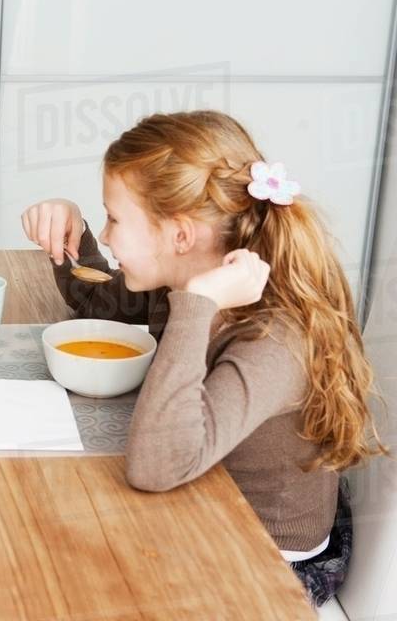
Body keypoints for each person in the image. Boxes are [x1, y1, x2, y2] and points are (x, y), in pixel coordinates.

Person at [21, 110, 384, 606]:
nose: (106, 236)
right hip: (203, 502)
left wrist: (197, 306)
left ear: (180, 236)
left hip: (266, 563)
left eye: (114, 218)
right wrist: (73, 232)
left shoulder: (274, 338)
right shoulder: (182, 280)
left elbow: (157, 465)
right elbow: (98, 305)